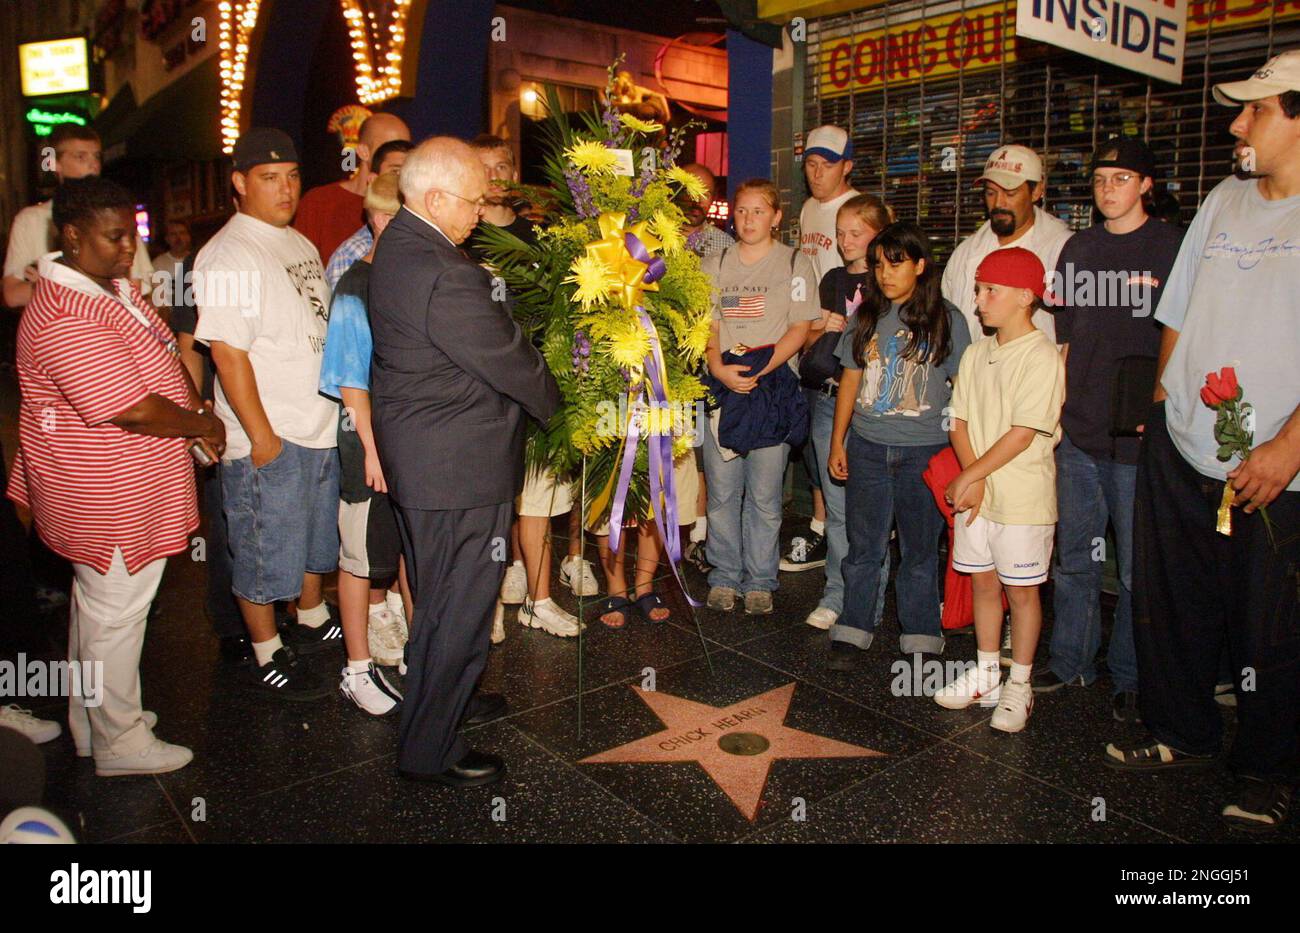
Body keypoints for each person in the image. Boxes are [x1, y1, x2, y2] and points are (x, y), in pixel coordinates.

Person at [1104, 51, 1300, 833]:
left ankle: (1267, 767)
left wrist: (1290, 447)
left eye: (1254, 110)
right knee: (1172, 603)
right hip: (1183, 447)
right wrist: (1161, 394)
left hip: (1277, 466)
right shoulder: (1224, 197)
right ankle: (1179, 731)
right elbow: (1177, 310)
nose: (1235, 123)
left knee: (1271, 625)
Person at [7, 176, 225, 774]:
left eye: (132, 232)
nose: (129, 246)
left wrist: (194, 411)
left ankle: (90, 720)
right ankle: (119, 742)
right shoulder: (65, 313)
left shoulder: (107, 287)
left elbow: (154, 357)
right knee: (117, 614)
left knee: (98, 606)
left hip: (120, 480)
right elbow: (128, 406)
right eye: (114, 237)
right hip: (105, 490)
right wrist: (200, 425)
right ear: (72, 237)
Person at [369, 137, 559, 787]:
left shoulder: (400, 243)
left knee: (440, 601)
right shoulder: (443, 271)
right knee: (459, 608)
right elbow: (505, 357)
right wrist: (560, 405)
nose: (481, 212)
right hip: (456, 466)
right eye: (474, 201)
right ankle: (429, 747)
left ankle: (445, 697)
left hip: (430, 460)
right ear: (436, 198)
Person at [1035, 138, 1184, 726]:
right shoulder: (1079, 247)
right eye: (1100, 179)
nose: (1108, 189)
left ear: (1146, 184)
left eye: (1121, 179)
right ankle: (1071, 661)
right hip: (1080, 429)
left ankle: (1130, 676)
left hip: (1138, 433)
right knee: (1073, 559)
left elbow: (1186, 336)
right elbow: (1066, 337)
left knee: (1135, 569)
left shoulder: (1171, 246)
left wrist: (1163, 407)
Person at [194, 128, 342, 702]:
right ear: (239, 183)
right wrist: (261, 437)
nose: (285, 189)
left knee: (308, 541)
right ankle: (264, 649)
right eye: (268, 178)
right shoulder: (230, 253)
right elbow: (228, 353)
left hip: (315, 422)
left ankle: (307, 616)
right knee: (262, 548)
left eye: (292, 176)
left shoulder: (297, 242)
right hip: (271, 431)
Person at [827, 222, 972, 669]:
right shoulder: (867, 315)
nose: (885, 273)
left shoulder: (948, 318)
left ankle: (921, 631)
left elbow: (964, 387)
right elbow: (850, 378)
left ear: (920, 265)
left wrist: (966, 458)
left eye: (896, 263)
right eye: (878, 264)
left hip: (924, 452)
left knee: (920, 549)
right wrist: (839, 441)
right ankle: (854, 626)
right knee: (865, 545)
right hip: (869, 446)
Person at [467, 134, 596, 634]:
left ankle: (538, 600)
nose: (496, 176)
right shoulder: (461, 238)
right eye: (485, 168)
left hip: (531, 380)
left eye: (503, 165)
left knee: (539, 493)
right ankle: (488, 602)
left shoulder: (538, 236)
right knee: (488, 500)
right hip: (478, 391)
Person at [934, 247, 1065, 733]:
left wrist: (971, 476)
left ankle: (1020, 684)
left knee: (1022, 592)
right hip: (979, 495)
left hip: (1023, 498)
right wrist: (974, 476)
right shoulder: (975, 351)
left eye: (991, 290)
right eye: (979, 289)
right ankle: (987, 672)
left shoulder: (1041, 356)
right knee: (983, 582)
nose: (980, 300)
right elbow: (959, 420)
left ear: (1025, 298)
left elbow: (1023, 431)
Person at [701, 179, 819, 616]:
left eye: (758, 211)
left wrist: (761, 368)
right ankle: (724, 575)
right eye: (742, 211)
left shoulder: (795, 263)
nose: (749, 219)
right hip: (724, 386)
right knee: (722, 492)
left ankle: (761, 581)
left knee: (766, 496)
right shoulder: (713, 263)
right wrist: (718, 368)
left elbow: (800, 328)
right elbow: (708, 325)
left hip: (771, 388)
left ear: (775, 217)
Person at [318, 172, 408, 715]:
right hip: (368, 449)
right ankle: (356, 669)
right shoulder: (355, 286)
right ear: (379, 220)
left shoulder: (402, 280)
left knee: (405, 558)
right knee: (357, 558)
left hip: (407, 445)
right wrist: (373, 452)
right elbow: (352, 384)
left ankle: (417, 657)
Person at [800, 193, 893, 633]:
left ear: (879, 233)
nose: (846, 240)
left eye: (856, 232)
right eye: (840, 233)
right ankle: (836, 592)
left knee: (871, 511)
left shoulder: (889, 282)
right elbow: (807, 342)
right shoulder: (833, 279)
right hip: (829, 399)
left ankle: (867, 600)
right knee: (836, 507)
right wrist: (821, 326)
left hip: (875, 407)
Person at [785, 125, 859, 575]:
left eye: (826, 165)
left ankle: (847, 532)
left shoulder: (860, 209)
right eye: (810, 165)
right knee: (814, 438)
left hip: (844, 335)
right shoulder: (811, 208)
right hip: (813, 334)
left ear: (847, 166)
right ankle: (820, 523)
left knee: (840, 440)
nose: (816, 173)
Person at [3, 125, 153, 309]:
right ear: (54, 163)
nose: (93, 165)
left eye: (97, 156)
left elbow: (134, 289)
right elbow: (12, 294)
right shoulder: (30, 220)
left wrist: (48, 285)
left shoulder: (115, 217)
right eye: (80, 156)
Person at [942, 144, 1072, 345]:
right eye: (991, 193)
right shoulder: (965, 253)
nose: (999, 203)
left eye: (1010, 193)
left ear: (1037, 191)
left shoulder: (1063, 249)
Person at [678, 161, 733, 573]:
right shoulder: (647, 240)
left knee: (703, 450)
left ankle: (699, 535)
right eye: (688, 189)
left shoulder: (723, 246)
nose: (695, 200)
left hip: (707, 360)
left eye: (705, 192)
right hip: (659, 361)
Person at [295, 113, 410, 267]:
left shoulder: (410, 209)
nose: (400, 156)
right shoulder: (319, 202)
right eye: (389, 148)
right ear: (363, 151)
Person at [324, 138, 413, 289]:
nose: (402, 182)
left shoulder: (429, 245)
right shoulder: (351, 257)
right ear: (373, 180)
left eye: (410, 174)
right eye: (395, 172)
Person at [678, 162, 734, 258]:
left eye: (705, 195)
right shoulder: (651, 237)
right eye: (691, 191)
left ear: (713, 199)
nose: (697, 201)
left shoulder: (726, 247)